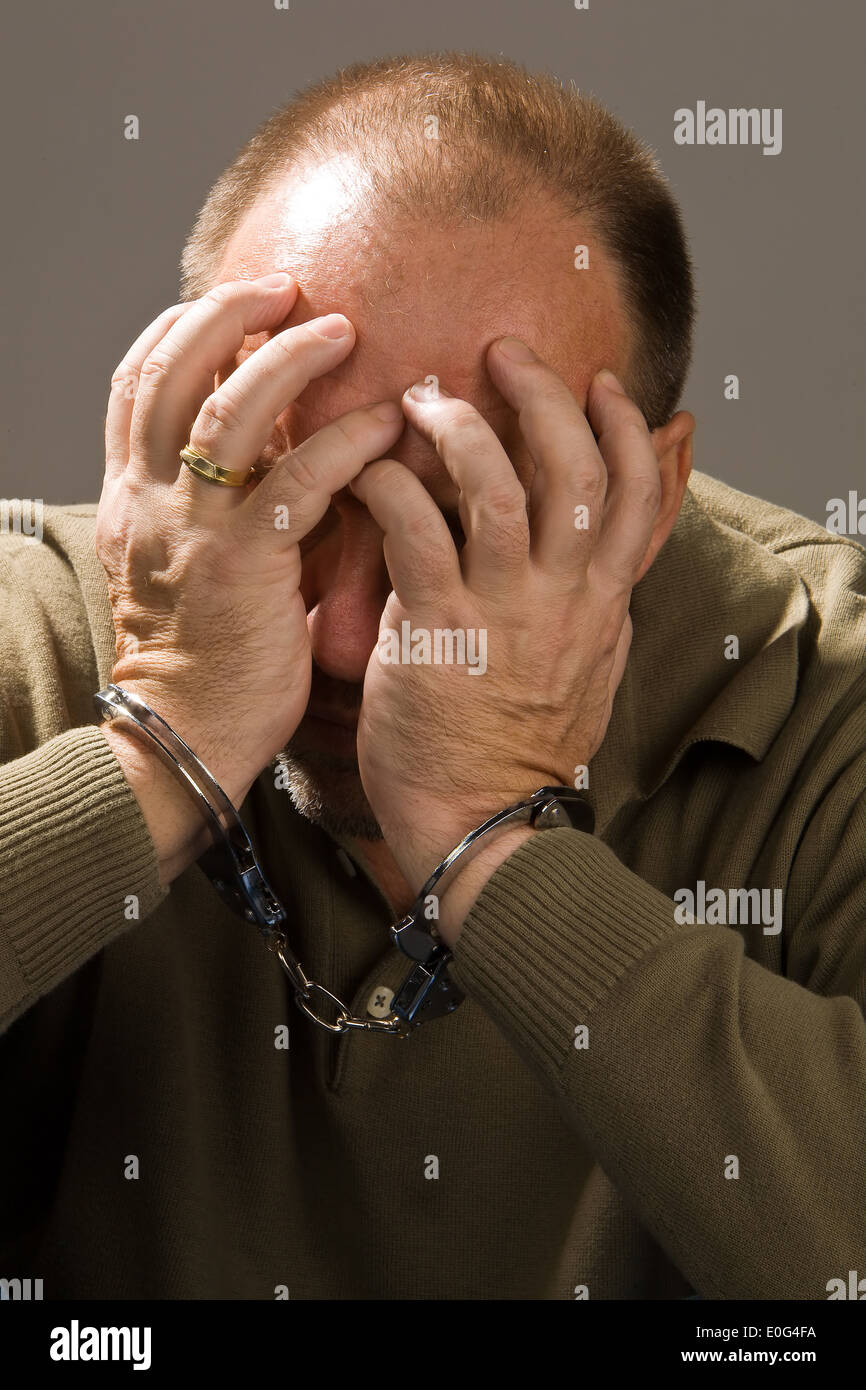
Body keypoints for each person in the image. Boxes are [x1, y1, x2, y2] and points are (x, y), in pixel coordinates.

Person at [1, 51, 863, 1302]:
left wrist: (491, 839)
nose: (349, 638)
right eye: (294, 503)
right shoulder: (45, 617)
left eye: (473, 518)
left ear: (655, 490)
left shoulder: (825, 684)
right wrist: (156, 744)